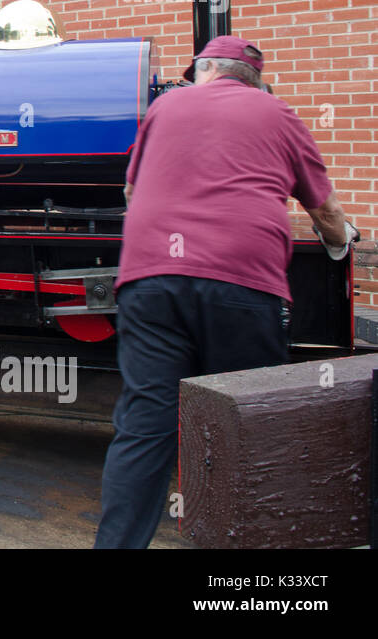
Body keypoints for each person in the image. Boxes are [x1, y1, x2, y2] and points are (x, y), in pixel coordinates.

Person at [94, 35, 357, 549]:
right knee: (242, 426)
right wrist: (338, 245)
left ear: (203, 70)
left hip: (151, 281)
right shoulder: (277, 113)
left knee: (145, 428)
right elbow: (325, 213)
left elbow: (131, 190)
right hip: (241, 283)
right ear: (253, 78)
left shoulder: (165, 106)